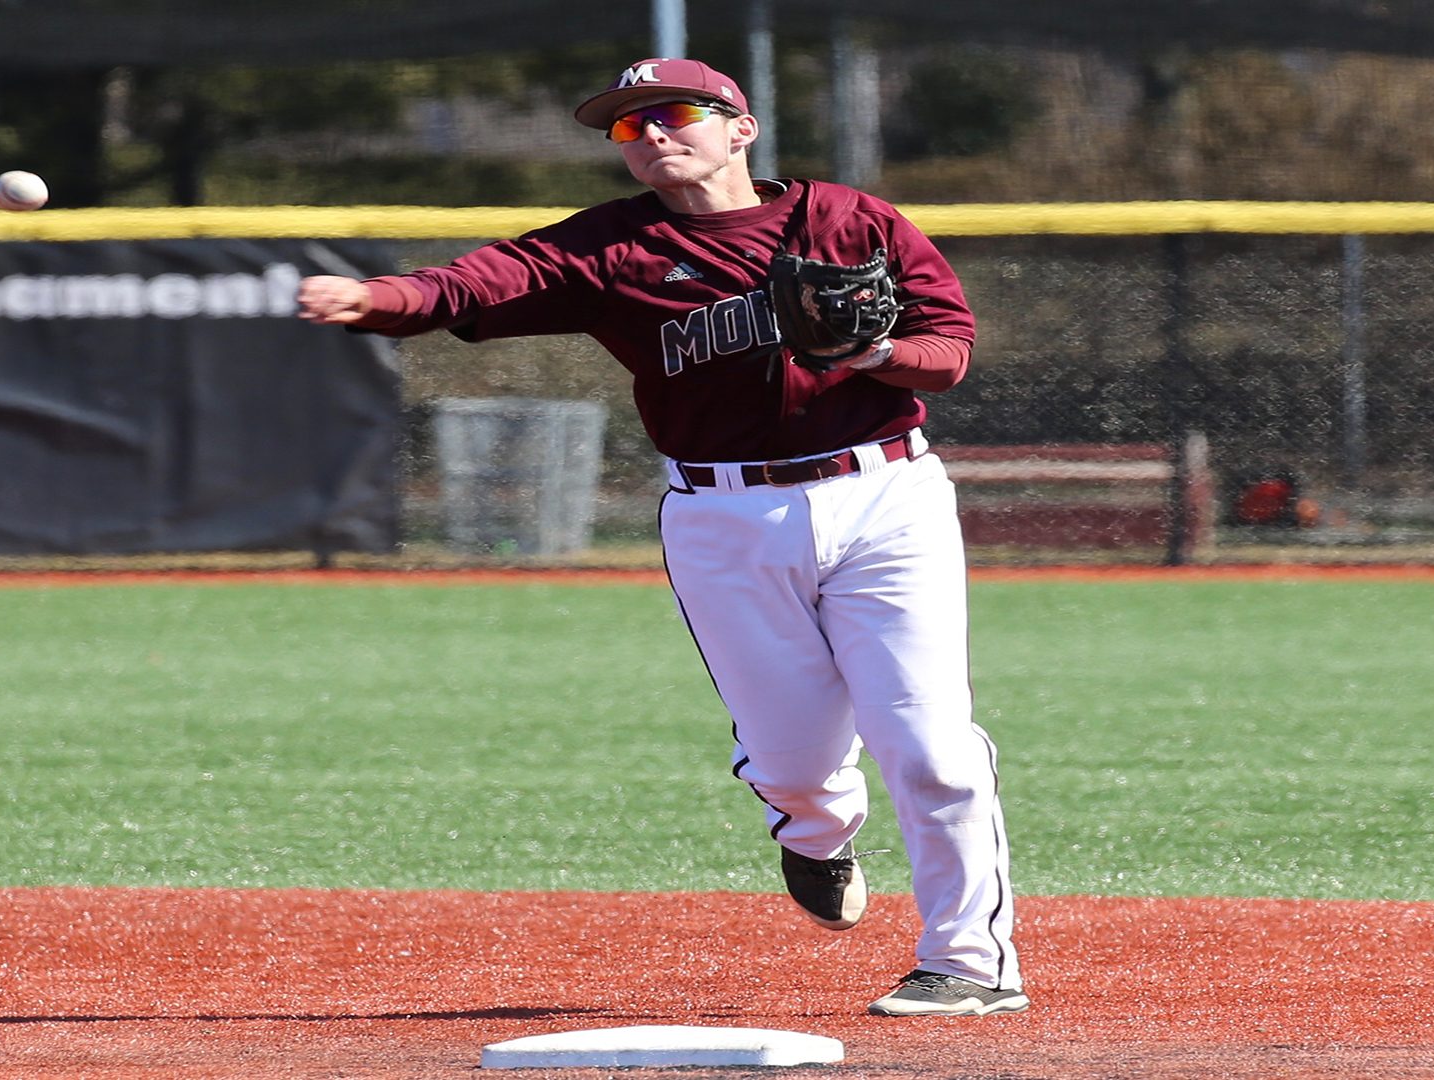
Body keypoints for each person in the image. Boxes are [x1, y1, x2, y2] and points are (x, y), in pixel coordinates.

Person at [297, 57, 1025, 1017]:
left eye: (673, 114)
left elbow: (951, 348)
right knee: (796, 764)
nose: (649, 135)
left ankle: (970, 964)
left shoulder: (852, 221)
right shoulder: (612, 249)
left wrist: (873, 352)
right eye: (626, 128)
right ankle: (815, 832)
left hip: (886, 495)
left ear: (740, 127)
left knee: (930, 745)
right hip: (724, 518)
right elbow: (487, 279)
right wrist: (379, 300)